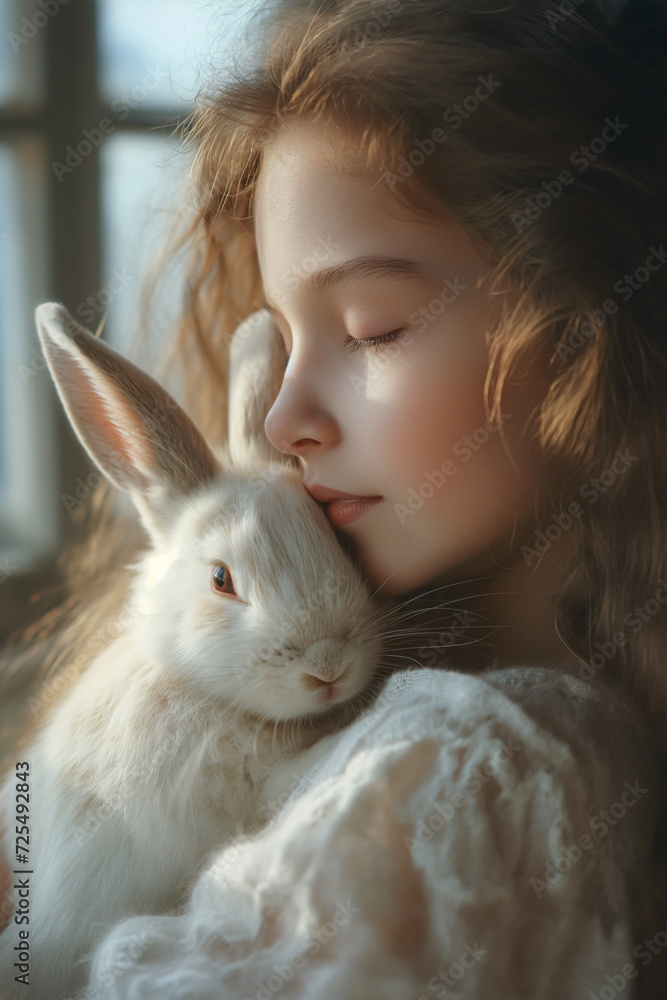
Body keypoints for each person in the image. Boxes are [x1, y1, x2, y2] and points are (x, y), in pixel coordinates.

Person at [1, 0, 667, 995]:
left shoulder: (462, 770)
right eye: (276, 331)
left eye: (372, 327)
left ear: (578, 333)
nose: (280, 421)